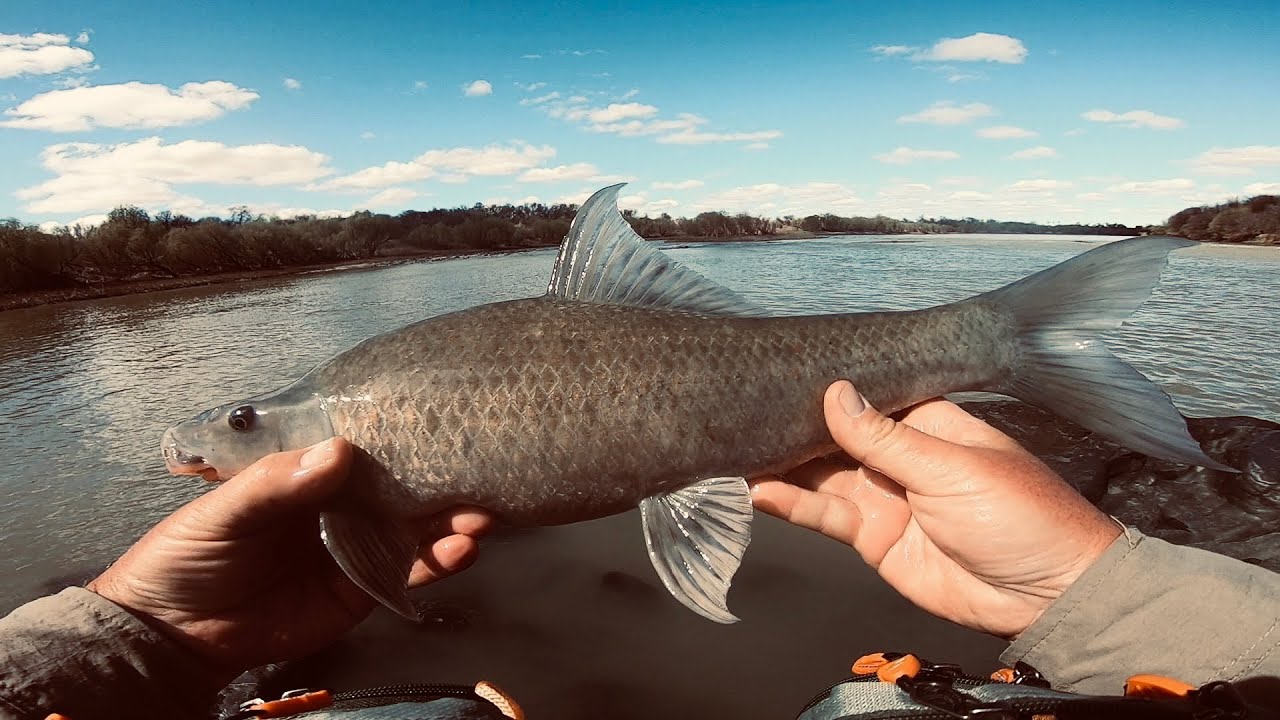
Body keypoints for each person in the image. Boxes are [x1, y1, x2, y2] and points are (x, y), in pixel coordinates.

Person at [1, 382, 1276, 719]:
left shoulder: (336, 461)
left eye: (243, 424)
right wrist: (1099, 584)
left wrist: (141, 644)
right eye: (236, 424)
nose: (229, 440)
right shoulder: (345, 501)